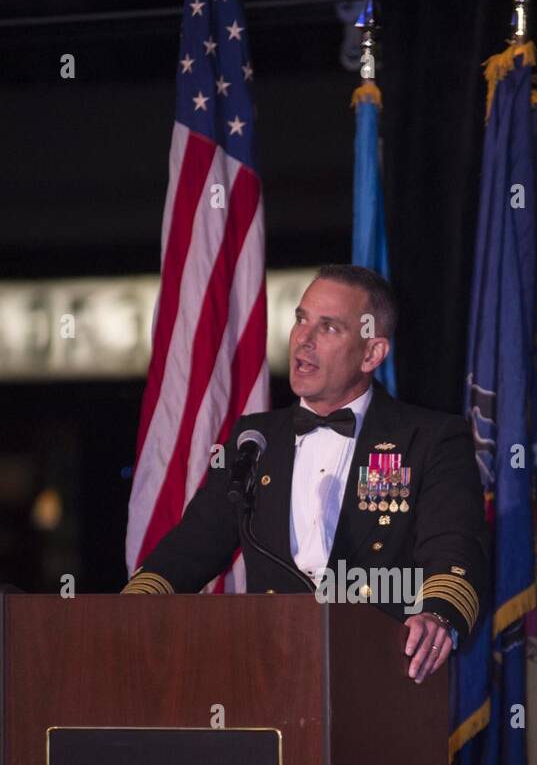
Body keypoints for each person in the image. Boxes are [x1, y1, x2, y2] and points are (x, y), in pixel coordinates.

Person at [124, 265, 488, 684]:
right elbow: (190, 548)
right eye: (301, 320)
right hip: (266, 675)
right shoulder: (252, 439)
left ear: (372, 354)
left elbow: (454, 550)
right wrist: (127, 607)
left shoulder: (429, 439)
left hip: (382, 679)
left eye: (329, 327)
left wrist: (436, 615)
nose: (304, 339)